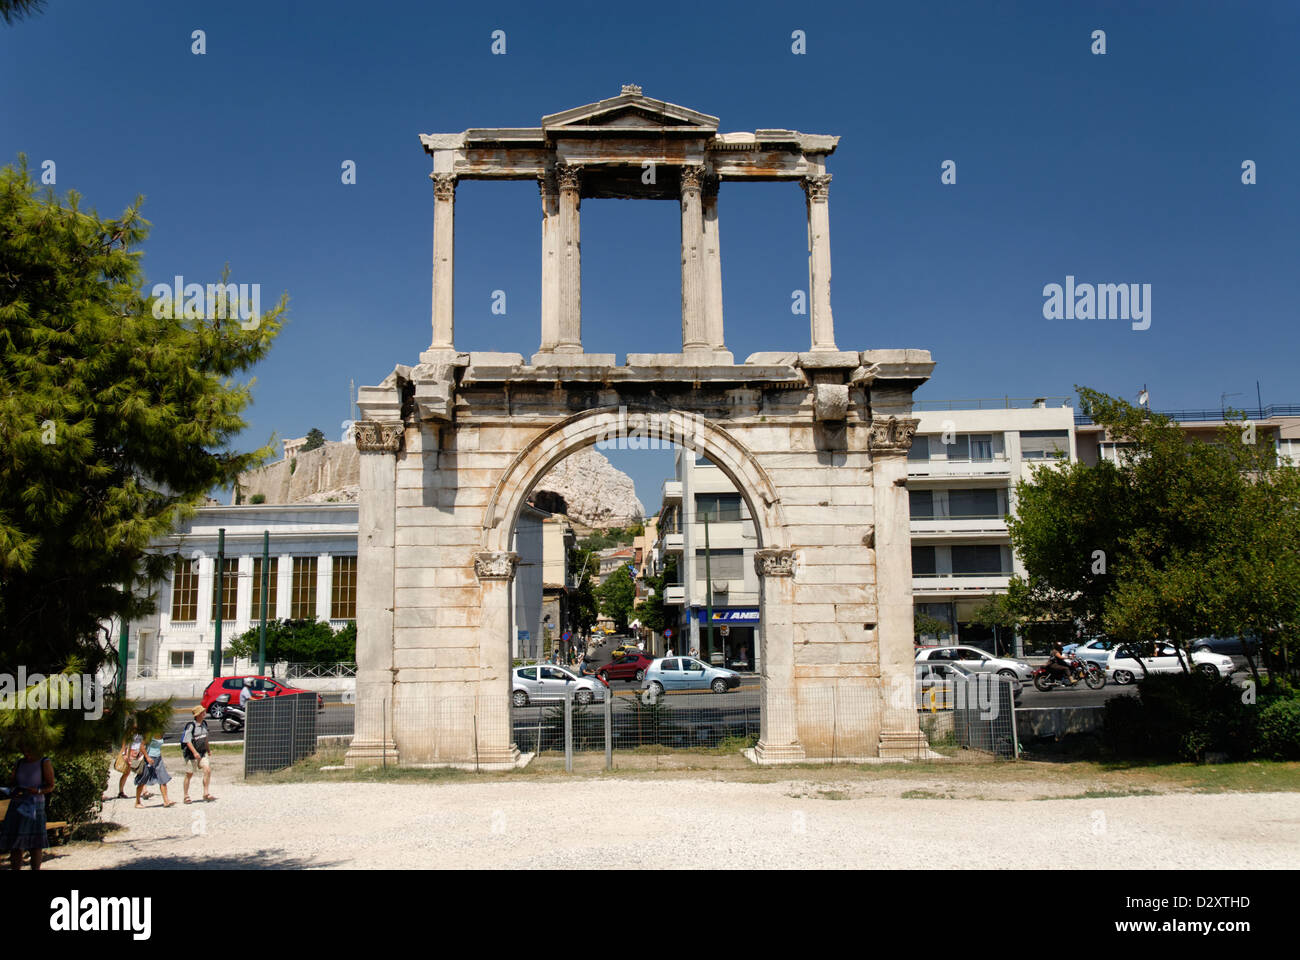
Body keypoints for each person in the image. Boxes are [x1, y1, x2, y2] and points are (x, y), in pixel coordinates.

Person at [1, 750, 54, 870]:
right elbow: (12, 782)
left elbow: (50, 785)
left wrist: (38, 791)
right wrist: (14, 789)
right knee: (15, 843)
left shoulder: (44, 762)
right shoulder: (19, 763)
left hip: (35, 805)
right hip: (18, 806)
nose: (27, 754)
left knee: (35, 844)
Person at [181, 705, 216, 803]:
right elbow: (187, 741)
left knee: (207, 770)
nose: (204, 713)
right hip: (192, 755)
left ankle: (206, 793)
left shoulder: (204, 724)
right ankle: (186, 795)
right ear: (197, 715)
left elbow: (205, 738)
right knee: (189, 774)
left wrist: (208, 750)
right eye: (202, 712)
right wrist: (194, 752)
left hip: (202, 752)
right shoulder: (191, 726)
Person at [135, 735, 175, 807]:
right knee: (142, 780)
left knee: (163, 779)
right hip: (148, 759)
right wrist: (147, 757)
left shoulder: (161, 733)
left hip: (158, 758)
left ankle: (166, 801)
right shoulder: (150, 734)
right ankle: (137, 802)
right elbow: (141, 746)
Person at [116, 720, 148, 799]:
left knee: (141, 772)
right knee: (126, 773)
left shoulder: (142, 732)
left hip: (139, 753)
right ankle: (121, 791)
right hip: (130, 753)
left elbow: (144, 743)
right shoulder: (128, 733)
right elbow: (124, 744)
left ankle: (144, 791)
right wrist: (124, 754)